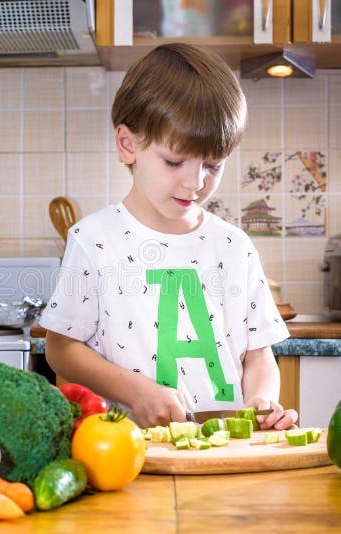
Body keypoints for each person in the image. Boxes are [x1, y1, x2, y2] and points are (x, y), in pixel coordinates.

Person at [39, 43, 298, 431]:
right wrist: (136, 391)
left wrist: (262, 401)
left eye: (213, 165)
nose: (195, 182)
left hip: (226, 451)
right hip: (130, 452)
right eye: (175, 161)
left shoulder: (234, 247)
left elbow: (259, 356)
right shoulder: (94, 239)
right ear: (128, 145)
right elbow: (61, 349)